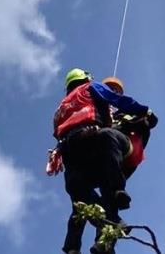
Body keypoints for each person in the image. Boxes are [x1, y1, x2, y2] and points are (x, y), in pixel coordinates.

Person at [53, 68, 154, 254]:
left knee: (78, 191)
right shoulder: (92, 88)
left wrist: (141, 116)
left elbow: (58, 132)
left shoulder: (61, 108)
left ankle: (80, 246)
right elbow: (118, 101)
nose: (113, 90)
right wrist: (145, 110)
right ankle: (110, 222)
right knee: (90, 191)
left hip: (77, 151)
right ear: (86, 78)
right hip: (95, 148)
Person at [101, 76, 158, 179]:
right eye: (109, 88)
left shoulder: (128, 111)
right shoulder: (95, 108)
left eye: (116, 90)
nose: (112, 91)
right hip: (101, 148)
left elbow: (152, 121)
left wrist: (147, 113)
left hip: (125, 149)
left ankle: (115, 182)